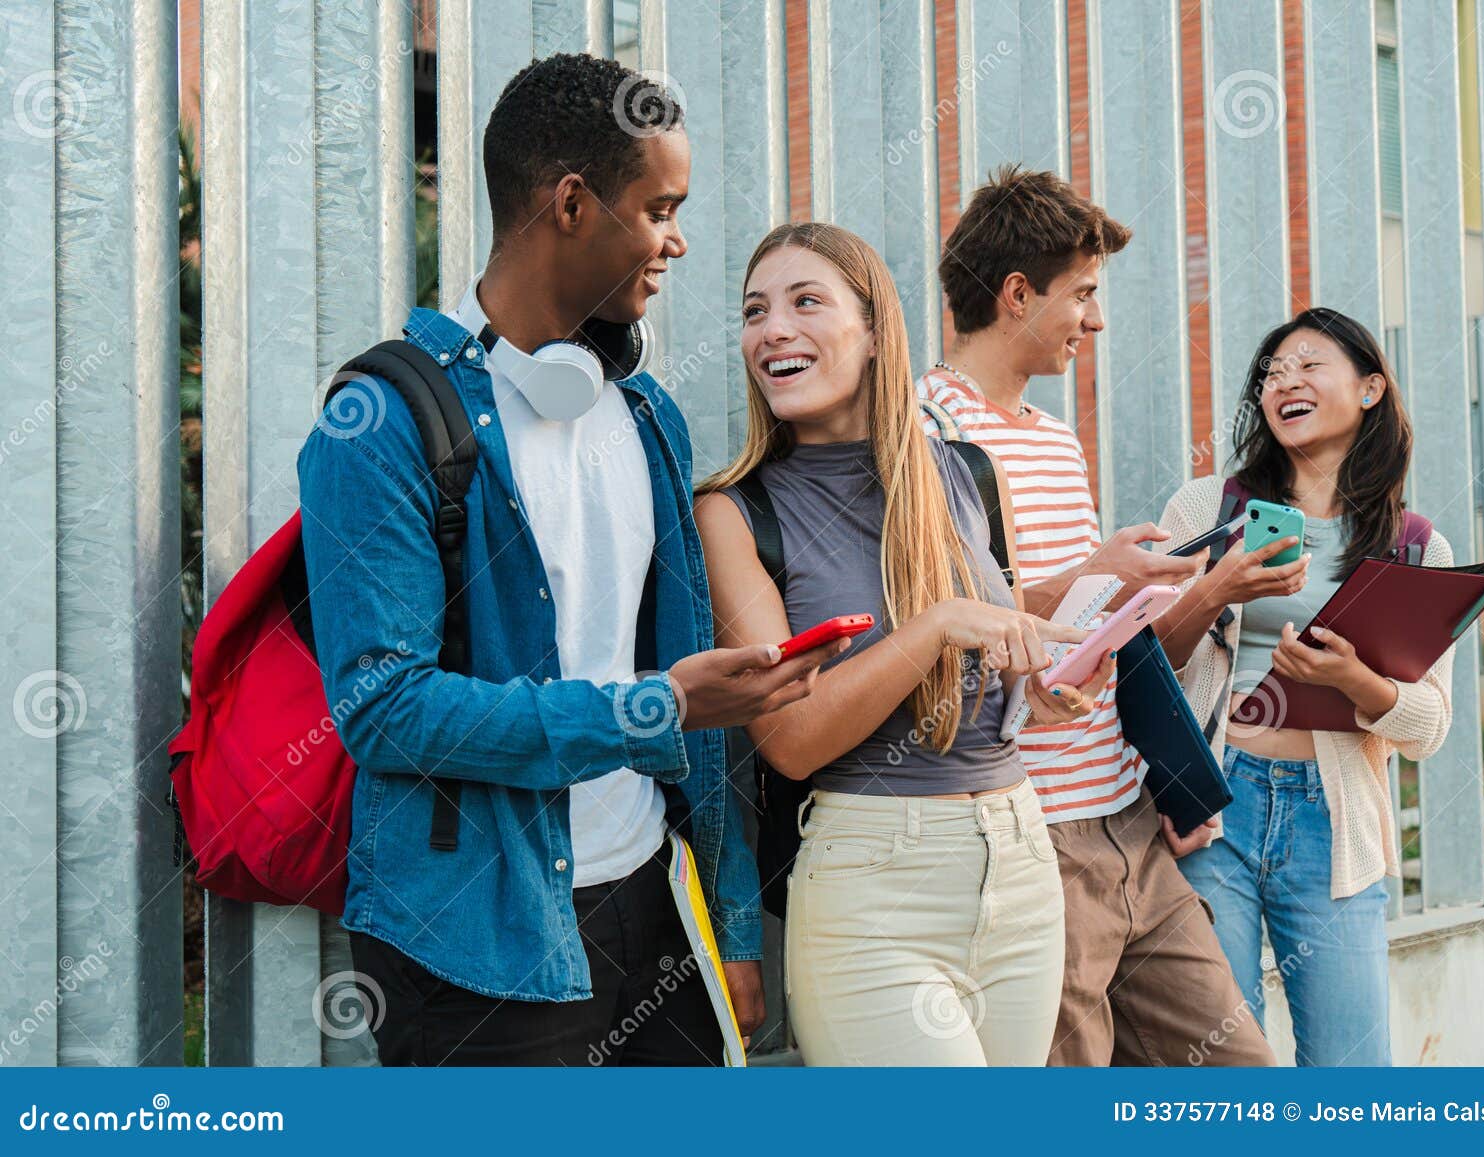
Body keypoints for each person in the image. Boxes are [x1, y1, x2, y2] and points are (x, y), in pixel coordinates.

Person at [297, 53, 838, 1066]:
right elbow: (382, 706)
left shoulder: (647, 417)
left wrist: (722, 919)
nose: (678, 240)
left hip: (654, 906)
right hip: (478, 943)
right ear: (573, 204)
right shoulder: (377, 424)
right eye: (660, 207)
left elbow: (692, 701)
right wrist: (648, 707)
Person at [695, 221, 1106, 1065]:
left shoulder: (972, 475)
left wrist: (1049, 689)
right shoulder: (736, 513)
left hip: (1021, 860)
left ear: (876, 330)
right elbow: (790, 741)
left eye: (806, 301)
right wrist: (936, 627)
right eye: (754, 311)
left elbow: (999, 670)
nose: (772, 329)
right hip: (871, 886)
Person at [916, 165, 1275, 1066]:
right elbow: (927, 617)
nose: (1097, 319)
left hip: (1131, 821)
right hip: (1034, 837)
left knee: (1245, 1074)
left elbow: (1083, 632)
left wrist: (1164, 593)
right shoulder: (922, 428)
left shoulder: (1053, 438)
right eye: (1082, 294)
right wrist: (1094, 572)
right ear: (1015, 294)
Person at [1155, 307, 1455, 1066]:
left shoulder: (1414, 546)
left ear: (1370, 390)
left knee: (1350, 1075)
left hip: (1334, 816)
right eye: (1272, 373)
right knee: (1221, 1065)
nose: (1284, 381)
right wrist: (1215, 588)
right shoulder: (1208, 511)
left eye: (1309, 364)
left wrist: (1354, 679)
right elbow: (1148, 662)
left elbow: (1429, 728)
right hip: (1214, 804)